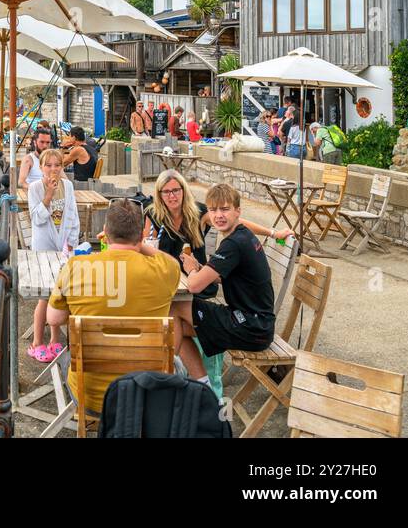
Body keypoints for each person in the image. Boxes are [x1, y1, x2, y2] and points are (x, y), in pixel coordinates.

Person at [46, 199, 180, 413]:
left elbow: (53, 319)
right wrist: (140, 244)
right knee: (178, 365)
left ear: (105, 231)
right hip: (146, 397)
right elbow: (173, 262)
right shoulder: (166, 270)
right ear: (141, 234)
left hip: (91, 398)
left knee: (65, 359)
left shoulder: (75, 267)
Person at [172, 184, 276, 384]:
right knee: (180, 326)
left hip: (250, 327)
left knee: (175, 309)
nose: (218, 215)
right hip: (257, 324)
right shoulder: (243, 234)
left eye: (225, 209)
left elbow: (194, 286)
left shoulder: (233, 244)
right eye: (213, 210)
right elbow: (223, 275)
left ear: (238, 211)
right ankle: (205, 389)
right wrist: (201, 269)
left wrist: (192, 268)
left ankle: (168, 380)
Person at [144, 170, 291, 273]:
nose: (172, 196)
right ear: (159, 194)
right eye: (166, 192)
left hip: (197, 277)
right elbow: (147, 248)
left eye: (176, 190)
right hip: (166, 275)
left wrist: (272, 233)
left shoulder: (198, 212)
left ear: (183, 190)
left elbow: (236, 222)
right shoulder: (153, 215)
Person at [26, 149, 80, 363]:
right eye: (48, 165)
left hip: (63, 246)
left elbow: (73, 216)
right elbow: (37, 219)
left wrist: (72, 242)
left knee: (60, 293)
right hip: (43, 246)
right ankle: (37, 342)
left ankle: (55, 339)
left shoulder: (68, 186)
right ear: (41, 168)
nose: (53, 169)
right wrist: (48, 195)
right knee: (44, 295)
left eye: (57, 165)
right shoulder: (35, 188)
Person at [17, 127, 53, 191]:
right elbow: (21, 182)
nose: (45, 146)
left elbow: (65, 179)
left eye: (48, 142)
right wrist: (36, 189)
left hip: (50, 195)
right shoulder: (29, 159)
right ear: (35, 142)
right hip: (33, 195)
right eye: (42, 142)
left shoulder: (53, 159)